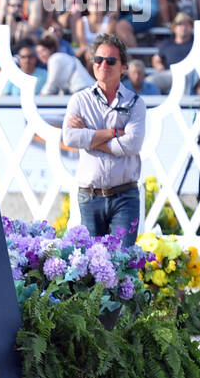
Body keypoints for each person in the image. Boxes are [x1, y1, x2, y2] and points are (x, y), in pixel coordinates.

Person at [62, 33, 147, 247]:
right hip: (90, 196)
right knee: (92, 268)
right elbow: (70, 137)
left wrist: (89, 137)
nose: (103, 65)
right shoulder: (79, 99)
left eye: (110, 61)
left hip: (125, 194)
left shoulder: (136, 102)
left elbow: (132, 144)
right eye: (98, 60)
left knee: (123, 261)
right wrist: (111, 133)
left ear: (123, 67)